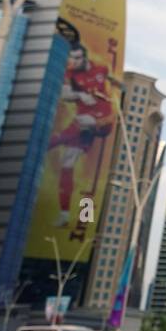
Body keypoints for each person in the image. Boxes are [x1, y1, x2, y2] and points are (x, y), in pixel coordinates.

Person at [46, 42, 116, 227]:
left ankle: (44, 145)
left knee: (59, 138)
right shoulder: (70, 75)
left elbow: (110, 87)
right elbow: (65, 92)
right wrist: (79, 95)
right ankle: (65, 214)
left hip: (102, 120)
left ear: (84, 57)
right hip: (83, 123)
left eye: (77, 58)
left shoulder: (100, 67)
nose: (73, 61)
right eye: (71, 58)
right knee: (67, 163)